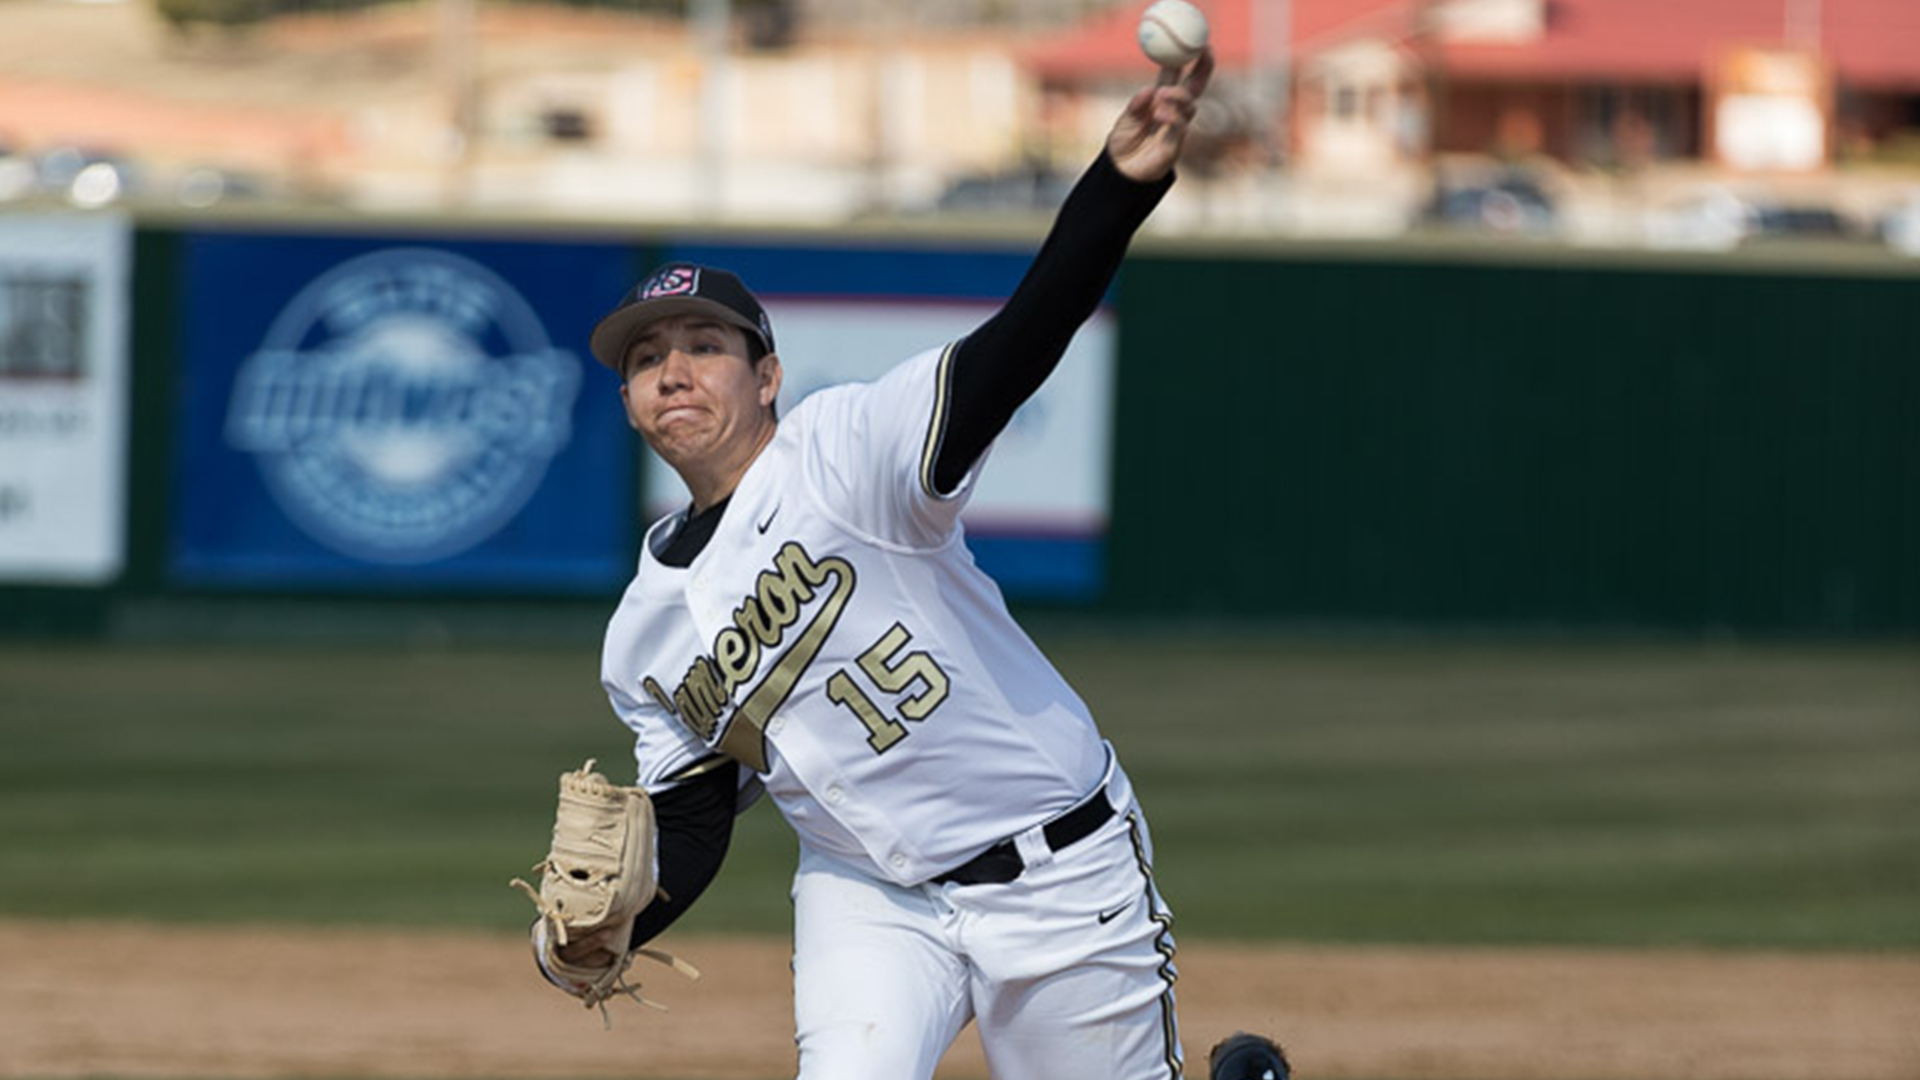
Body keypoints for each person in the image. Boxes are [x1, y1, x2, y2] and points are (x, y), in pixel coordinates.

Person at [540, 51, 1247, 1080]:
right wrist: (608, 928)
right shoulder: (642, 635)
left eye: (703, 346)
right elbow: (692, 821)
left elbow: (1016, 347)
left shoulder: (844, 453)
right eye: (646, 360)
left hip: (1055, 865)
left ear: (767, 376)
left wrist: (1117, 189)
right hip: (867, 897)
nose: (673, 370)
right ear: (629, 404)